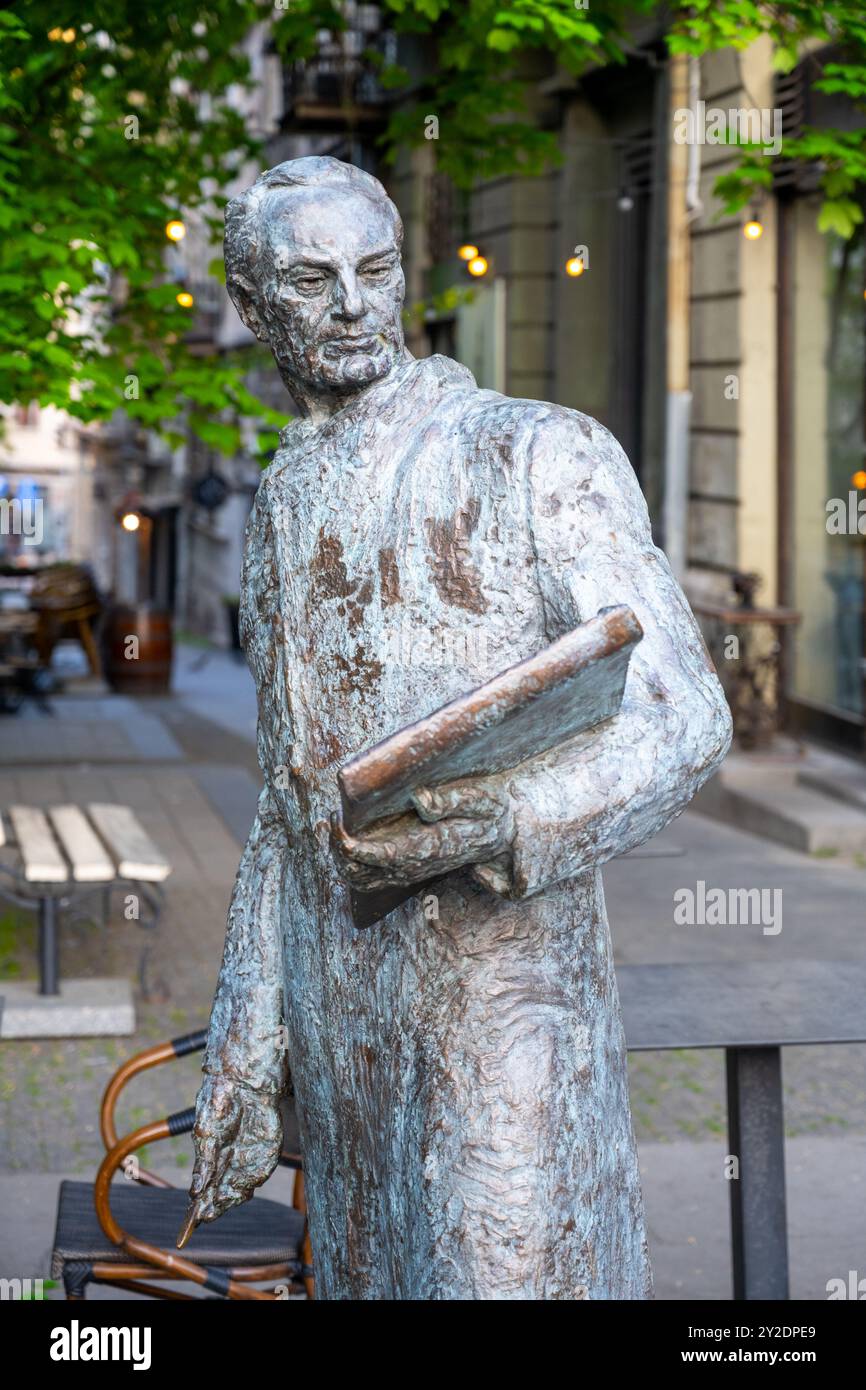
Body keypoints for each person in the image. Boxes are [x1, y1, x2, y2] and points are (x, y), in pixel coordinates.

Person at [180, 156, 732, 1299]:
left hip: (500, 1012)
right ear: (250, 306)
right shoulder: (280, 500)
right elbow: (291, 801)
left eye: (373, 271)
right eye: (310, 278)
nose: (350, 304)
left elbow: (683, 712)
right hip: (345, 1026)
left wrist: (503, 815)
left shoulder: (535, 449)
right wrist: (250, 1013)